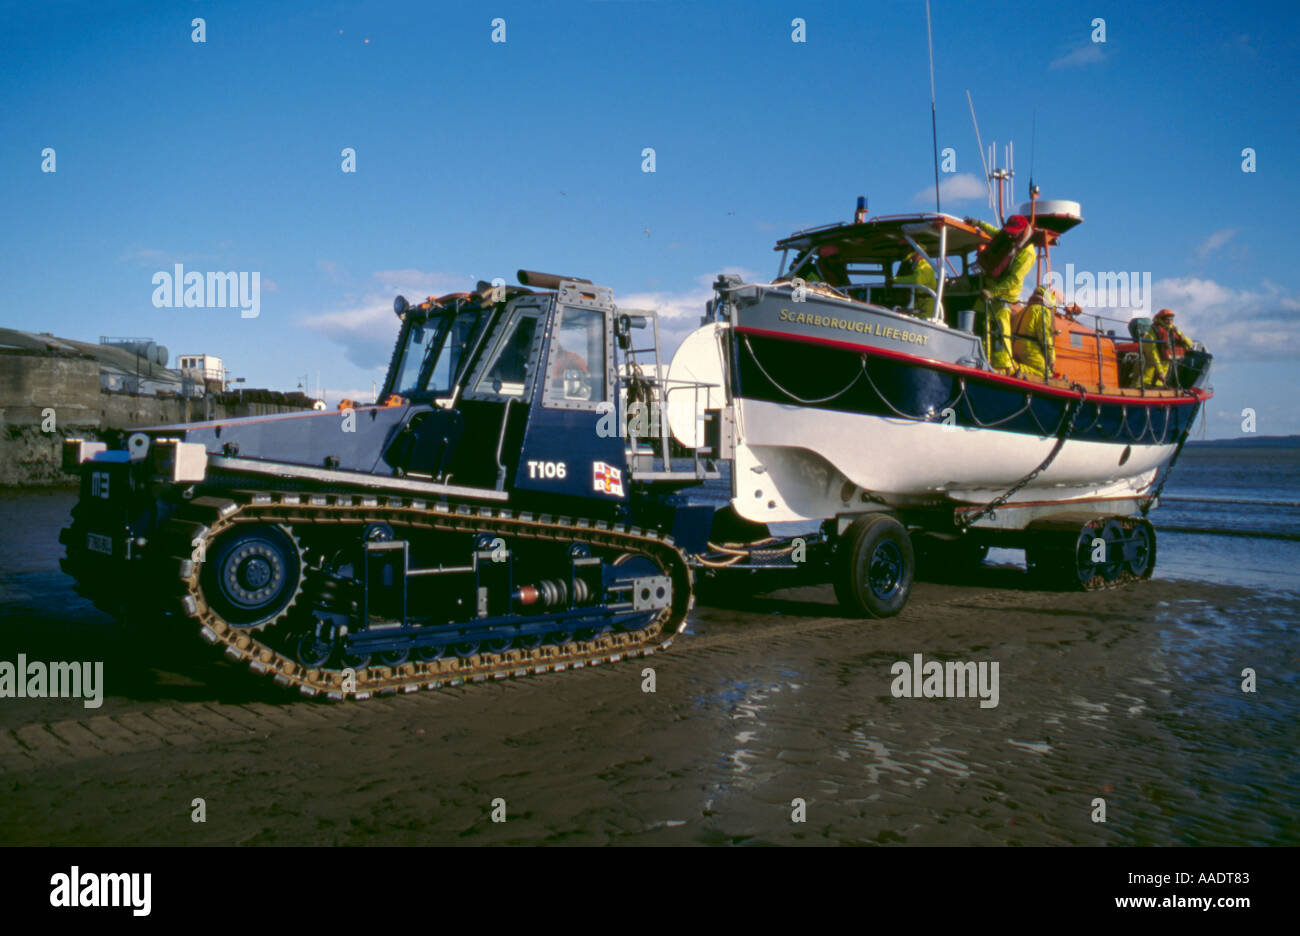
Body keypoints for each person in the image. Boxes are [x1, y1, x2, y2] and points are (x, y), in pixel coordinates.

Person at [966, 215, 1036, 373]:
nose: (1010, 235)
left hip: (1004, 295)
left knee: (999, 331)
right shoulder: (1007, 237)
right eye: (1009, 231)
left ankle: (1003, 366)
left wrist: (993, 292)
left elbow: (1014, 280)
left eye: (1013, 232)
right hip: (988, 289)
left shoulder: (1028, 253)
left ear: (1022, 231)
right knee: (978, 321)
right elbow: (995, 232)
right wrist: (979, 223)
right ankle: (980, 356)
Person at [1013, 285, 1058, 379]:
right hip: (1028, 349)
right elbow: (1046, 338)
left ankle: (1014, 367)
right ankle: (1013, 368)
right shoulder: (1042, 311)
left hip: (1015, 345)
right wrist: (1051, 359)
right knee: (1045, 373)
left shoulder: (1024, 310)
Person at [1143, 308, 1194, 387]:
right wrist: (1160, 371)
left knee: (1158, 385)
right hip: (1150, 367)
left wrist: (1182, 337)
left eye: (1171, 319)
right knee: (1143, 383)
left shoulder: (1173, 329)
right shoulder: (1152, 332)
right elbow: (1152, 353)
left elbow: (1189, 344)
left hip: (1165, 366)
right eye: (1167, 319)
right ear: (1161, 319)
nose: (1170, 321)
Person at [893, 249, 937, 317]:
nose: (911, 258)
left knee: (924, 322)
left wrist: (895, 280)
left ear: (918, 254)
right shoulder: (916, 266)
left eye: (912, 256)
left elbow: (917, 280)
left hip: (927, 303)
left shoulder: (926, 266)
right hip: (917, 301)